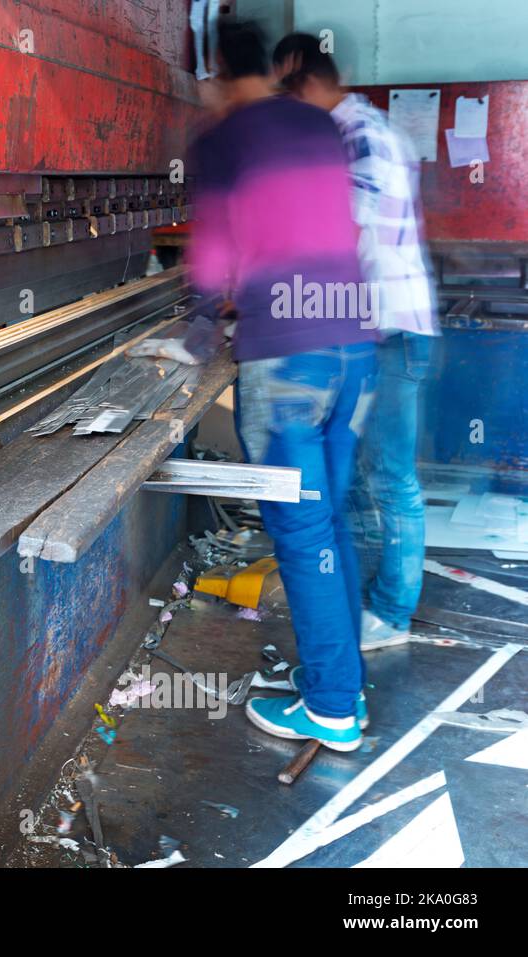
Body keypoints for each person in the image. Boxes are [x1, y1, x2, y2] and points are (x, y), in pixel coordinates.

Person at [187, 21, 377, 751]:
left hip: (291, 362)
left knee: (302, 533)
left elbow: (211, 248)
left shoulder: (223, 139)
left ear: (217, 74)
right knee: (329, 521)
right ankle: (340, 680)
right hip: (352, 351)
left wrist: (200, 327)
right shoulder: (317, 124)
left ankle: (333, 707)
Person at [273, 34, 439, 652]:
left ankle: (392, 615)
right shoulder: (365, 129)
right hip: (377, 325)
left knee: (391, 476)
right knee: (372, 475)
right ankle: (374, 601)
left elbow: (344, 230)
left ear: (308, 85)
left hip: (392, 329)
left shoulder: (359, 136)